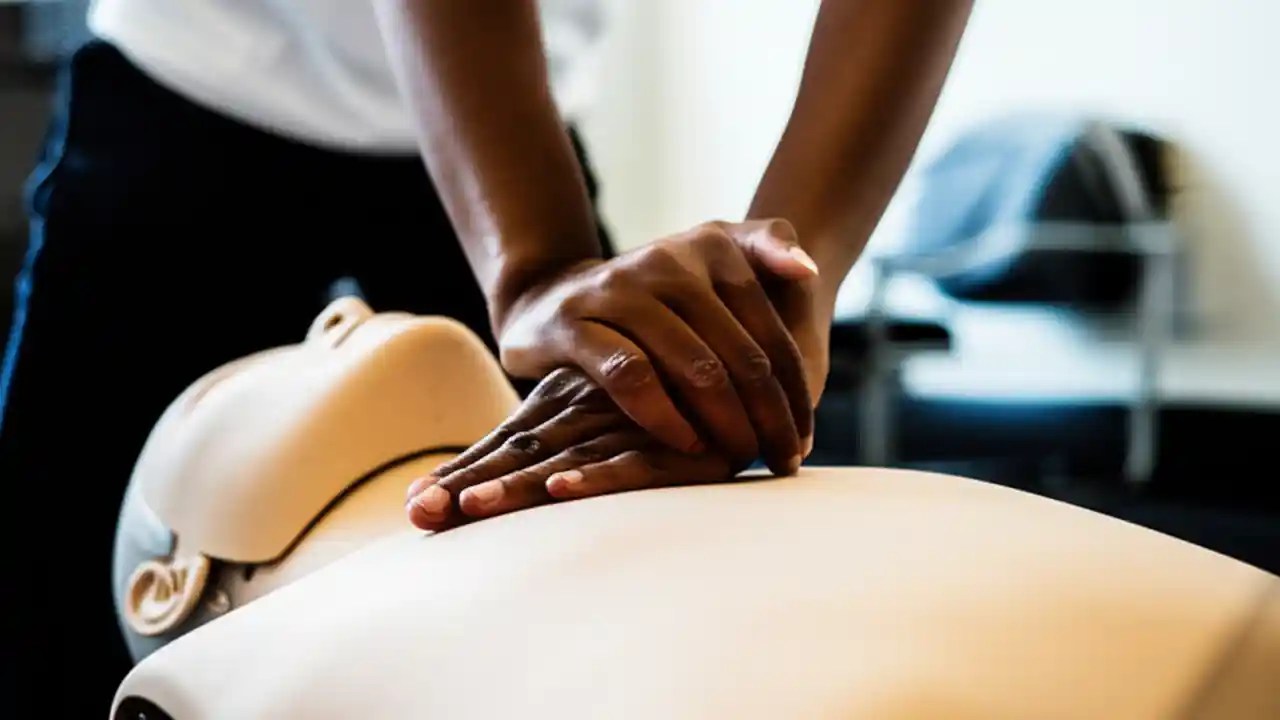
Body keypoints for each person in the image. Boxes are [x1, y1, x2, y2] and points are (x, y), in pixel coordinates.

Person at [0, 0, 975, 712]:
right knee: (53, 608)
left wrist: (786, 278)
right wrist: (534, 267)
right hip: (202, 85)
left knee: (553, 598)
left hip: (519, 108)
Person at [110, 299, 1280, 720]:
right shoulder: (237, 671)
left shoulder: (647, 472)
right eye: (234, 379)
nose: (345, 308)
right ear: (167, 585)